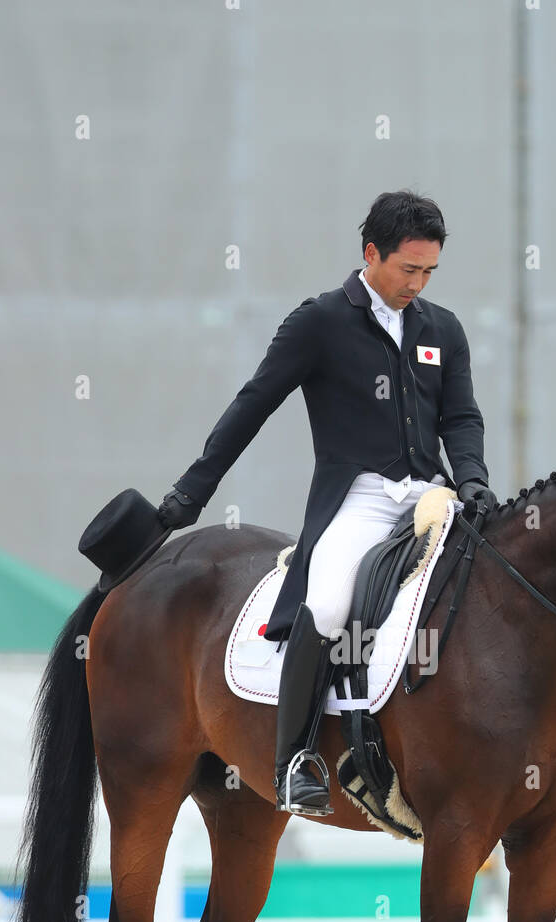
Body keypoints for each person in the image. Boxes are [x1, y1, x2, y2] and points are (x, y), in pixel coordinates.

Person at [158, 190, 497, 815]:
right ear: (372, 253)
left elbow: (462, 416)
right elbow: (251, 407)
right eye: (408, 270)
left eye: (429, 273)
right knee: (330, 600)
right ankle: (294, 759)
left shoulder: (442, 329)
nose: (417, 285)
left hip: (432, 495)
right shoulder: (320, 322)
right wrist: (189, 494)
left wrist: (472, 477)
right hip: (360, 497)